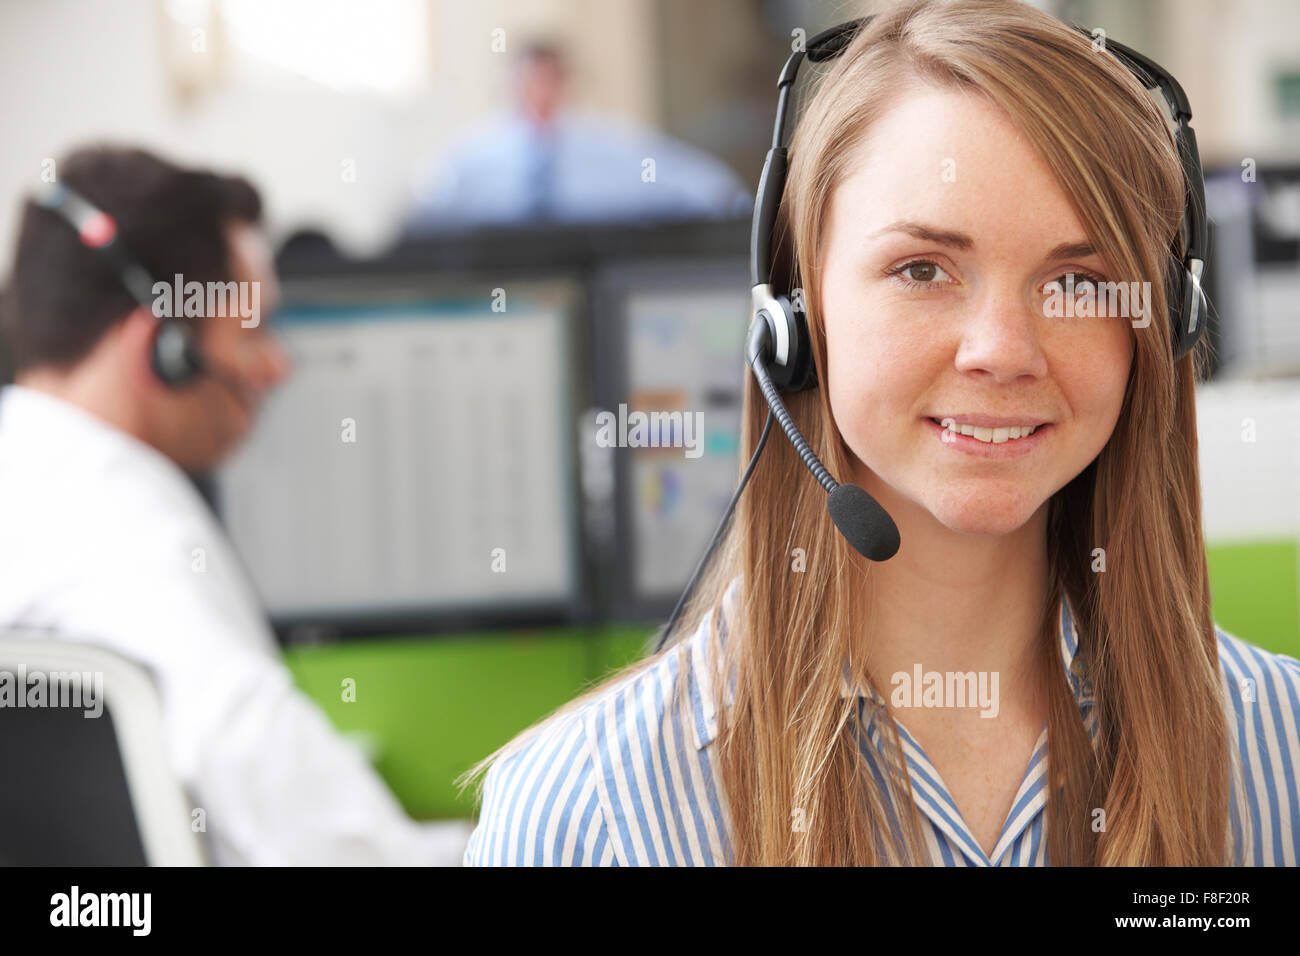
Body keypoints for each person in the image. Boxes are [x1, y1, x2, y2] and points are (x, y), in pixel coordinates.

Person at [460, 0, 1300, 866]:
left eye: (1079, 280)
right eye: (922, 269)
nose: (1002, 352)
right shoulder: (592, 812)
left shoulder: (1279, 759)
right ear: (795, 312)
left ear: (1160, 322)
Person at [0, 145, 472, 865]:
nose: (277, 366)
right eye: (251, 331)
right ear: (162, 351)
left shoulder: (28, 464)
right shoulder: (123, 525)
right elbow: (324, 845)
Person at [406, 41, 752, 231]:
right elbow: (423, 217)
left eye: (550, 79)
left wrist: (751, 222)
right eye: (530, 80)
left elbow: (706, 185)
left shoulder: (613, 145)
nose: (540, 91)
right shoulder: (471, 157)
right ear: (510, 85)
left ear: (566, 82)